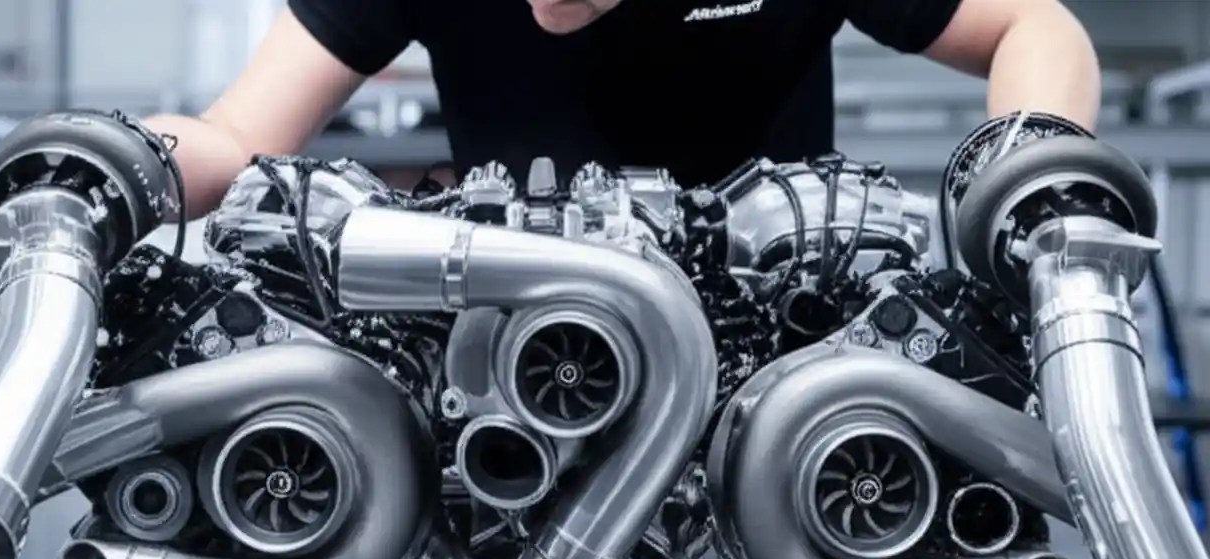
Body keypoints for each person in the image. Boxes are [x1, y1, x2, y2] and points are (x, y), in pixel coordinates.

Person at [146, 0, 1101, 216]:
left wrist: (1035, 193)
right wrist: (108, 160)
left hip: (779, 355)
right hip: (501, 352)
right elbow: (236, 137)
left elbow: (1032, 25)